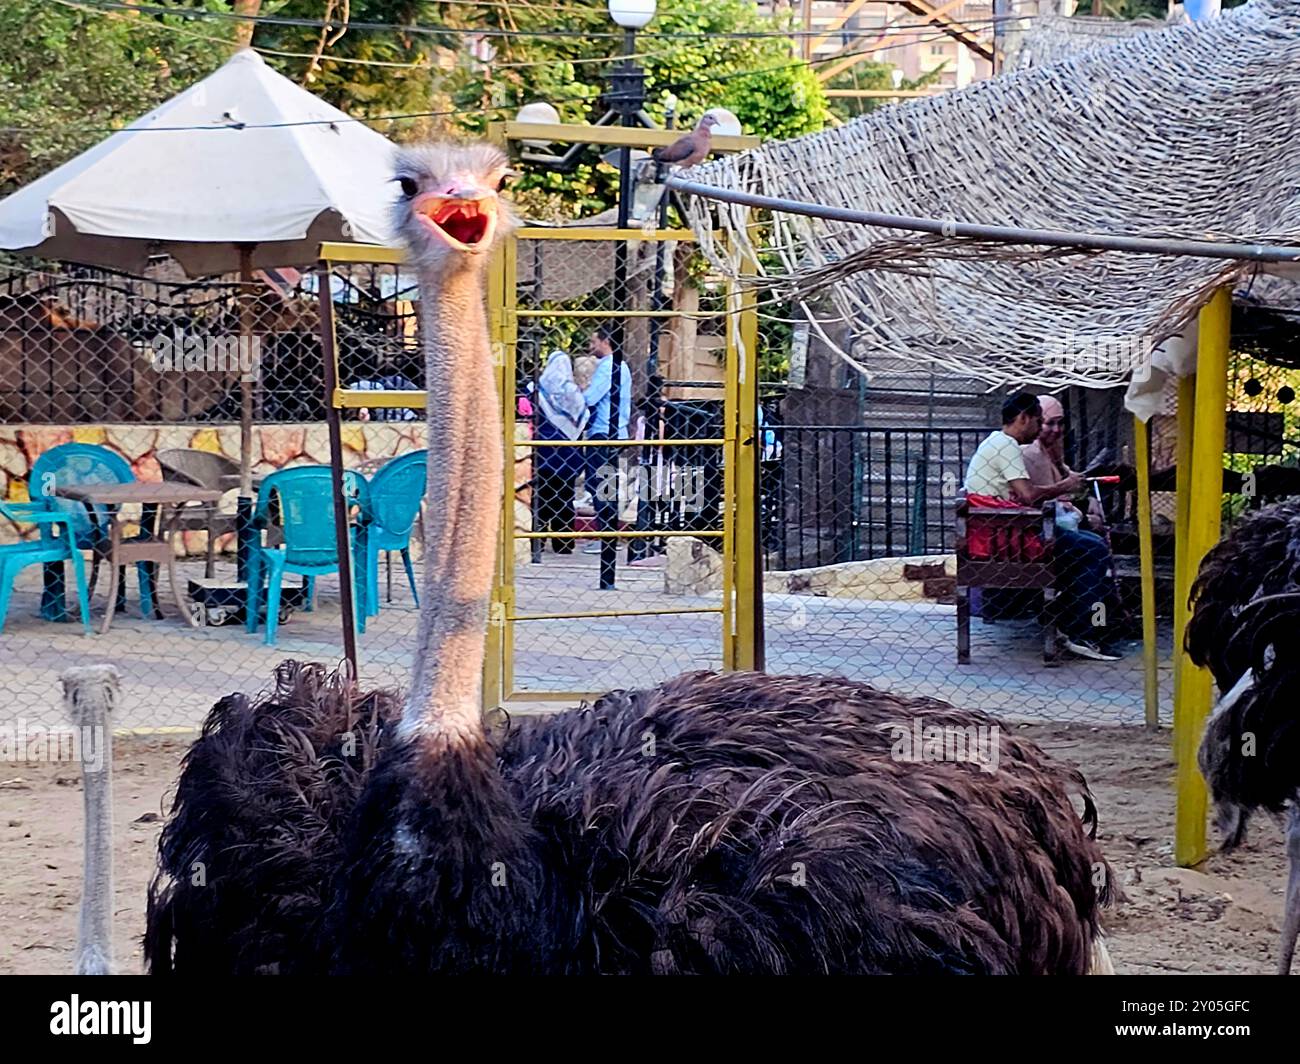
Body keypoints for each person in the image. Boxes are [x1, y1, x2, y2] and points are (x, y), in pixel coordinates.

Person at [963, 392, 1119, 662]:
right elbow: (1028, 495)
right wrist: (1064, 486)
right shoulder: (1008, 446)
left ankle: (1072, 621)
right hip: (1009, 542)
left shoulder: (996, 442)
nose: (1039, 431)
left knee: (1087, 544)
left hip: (1002, 534)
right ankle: (1083, 631)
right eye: (1039, 422)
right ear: (1024, 418)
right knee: (1094, 550)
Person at [581, 326, 633, 564]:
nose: (591, 346)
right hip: (615, 430)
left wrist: (576, 395)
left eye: (594, 341)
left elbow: (591, 398)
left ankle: (606, 536)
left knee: (599, 483)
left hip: (603, 431)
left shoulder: (608, 366)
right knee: (605, 483)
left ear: (605, 342)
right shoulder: (621, 366)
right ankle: (608, 534)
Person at [532, 350, 588, 553]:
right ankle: (563, 543)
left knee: (540, 497)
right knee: (565, 498)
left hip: (544, 452)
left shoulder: (538, 390)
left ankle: (536, 540)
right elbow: (584, 417)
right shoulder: (573, 393)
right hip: (567, 454)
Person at [1021, 394, 1103, 532]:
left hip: (1057, 519)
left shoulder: (1050, 447)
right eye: (1050, 423)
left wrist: (1090, 498)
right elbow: (1050, 496)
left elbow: (1071, 480)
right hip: (1041, 525)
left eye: (1060, 423)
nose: (1057, 430)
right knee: (1095, 542)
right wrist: (1085, 519)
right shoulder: (1032, 451)